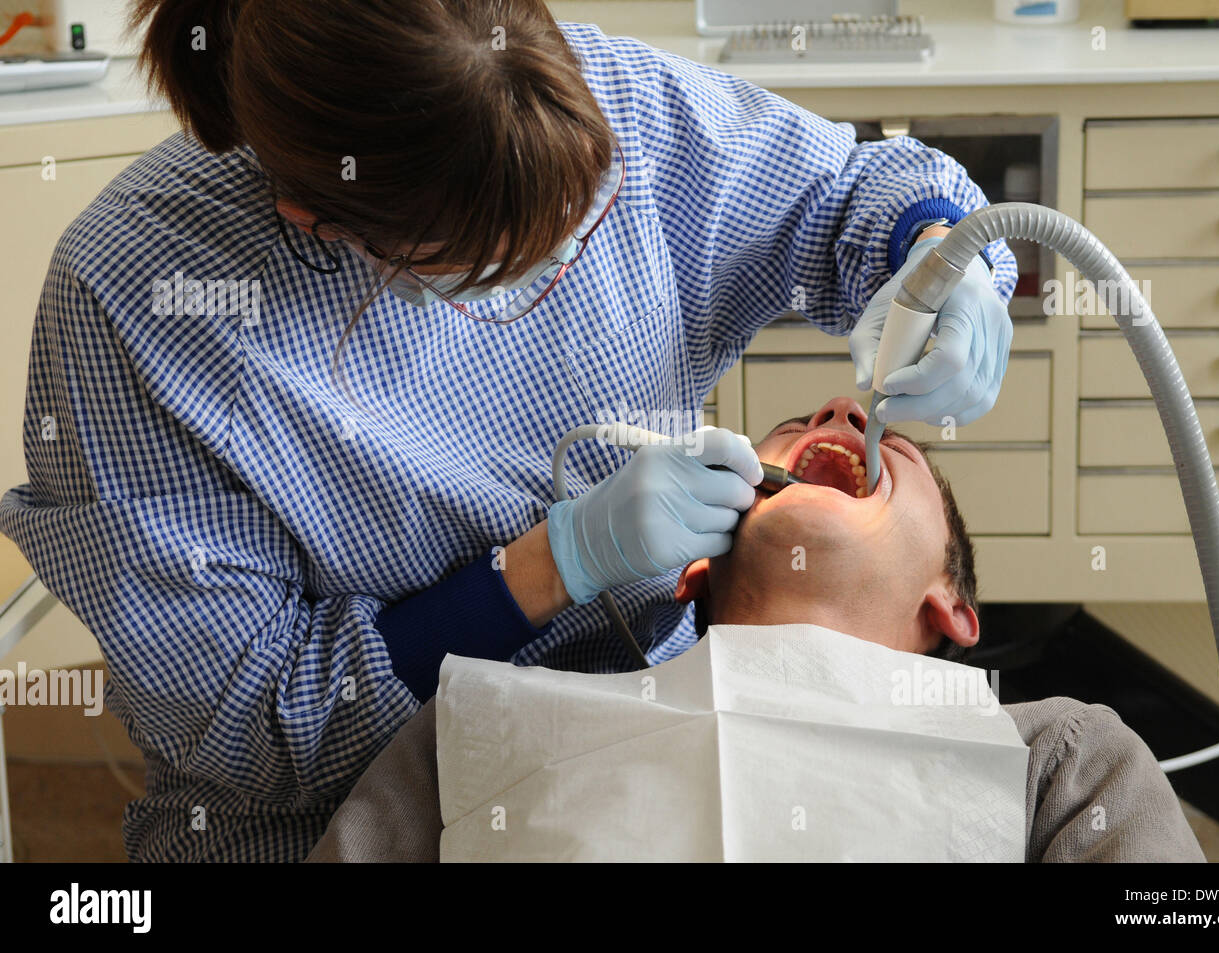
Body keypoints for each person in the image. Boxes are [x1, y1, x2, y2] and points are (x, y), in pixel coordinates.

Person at [0, 0, 1015, 861]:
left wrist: (938, 255)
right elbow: (251, 727)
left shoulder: (600, 98)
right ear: (325, 222)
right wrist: (549, 565)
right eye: (496, 259)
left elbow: (846, 187)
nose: (573, 261)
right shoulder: (131, 299)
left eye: (583, 213)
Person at [307, 396, 1206, 862]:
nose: (844, 416)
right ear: (693, 570)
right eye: (794, 426)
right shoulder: (483, 725)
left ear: (950, 604)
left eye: (892, 442)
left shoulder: (1062, 757)